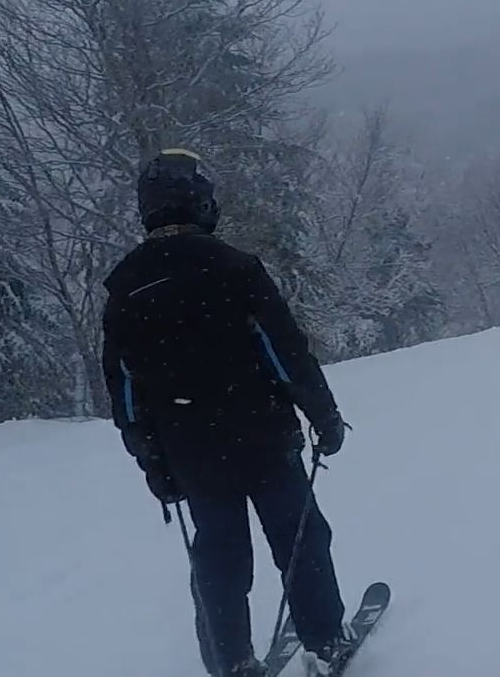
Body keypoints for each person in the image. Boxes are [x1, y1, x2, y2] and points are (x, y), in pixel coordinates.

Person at [102, 150, 352, 677]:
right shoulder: (233, 267)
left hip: (192, 454)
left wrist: (154, 463)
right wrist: (324, 416)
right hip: (263, 439)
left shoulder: (123, 290)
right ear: (199, 202)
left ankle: (231, 661)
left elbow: (125, 394)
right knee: (300, 539)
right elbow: (285, 352)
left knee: (219, 560)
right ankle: (326, 641)